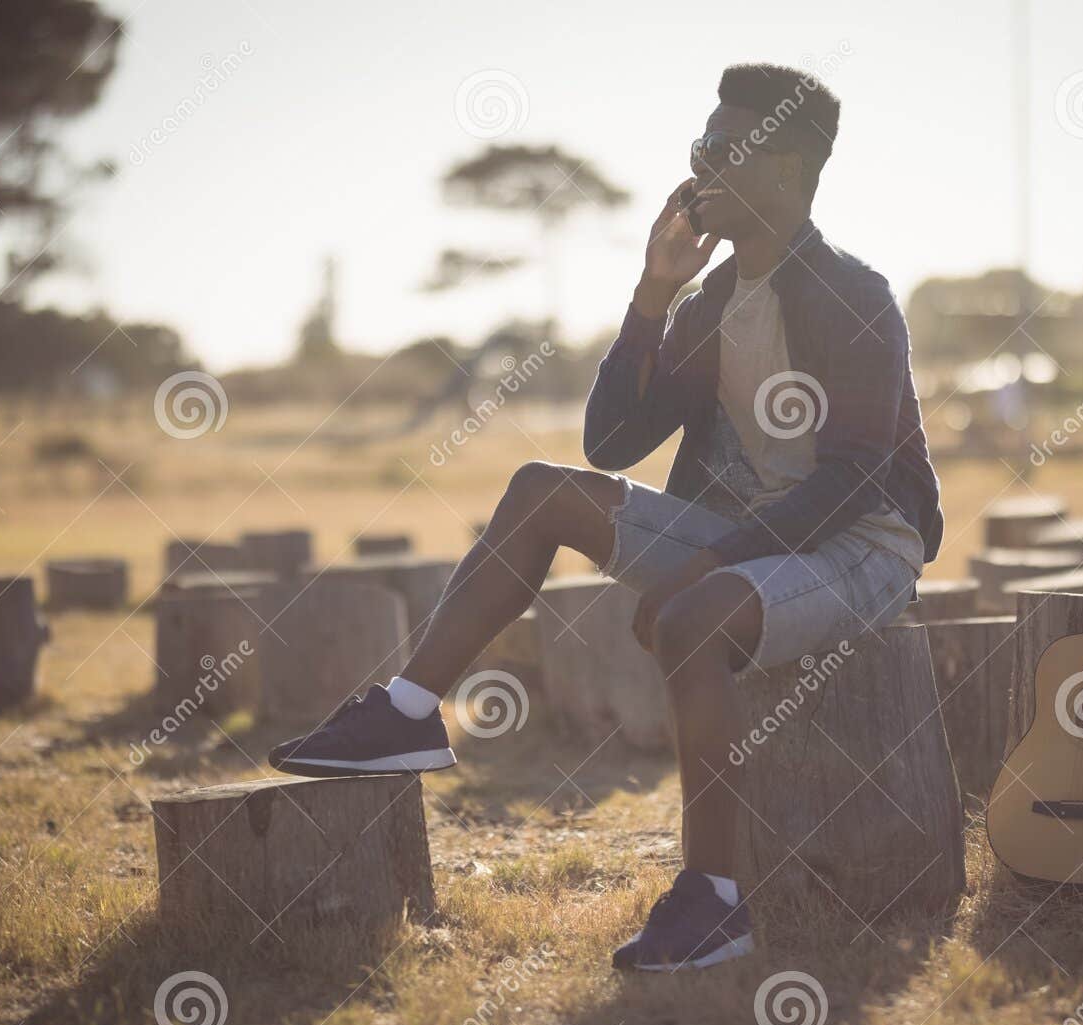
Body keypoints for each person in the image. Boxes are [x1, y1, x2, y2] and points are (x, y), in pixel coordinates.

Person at [271, 63, 943, 972]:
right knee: (542, 487)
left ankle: (713, 902)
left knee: (691, 617)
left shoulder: (854, 296)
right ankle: (408, 711)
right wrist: (652, 294)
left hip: (864, 543)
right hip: (758, 535)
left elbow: (859, 478)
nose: (701, 168)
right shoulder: (711, 302)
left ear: (787, 171)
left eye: (723, 150)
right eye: (697, 149)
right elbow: (613, 442)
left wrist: (712, 567)